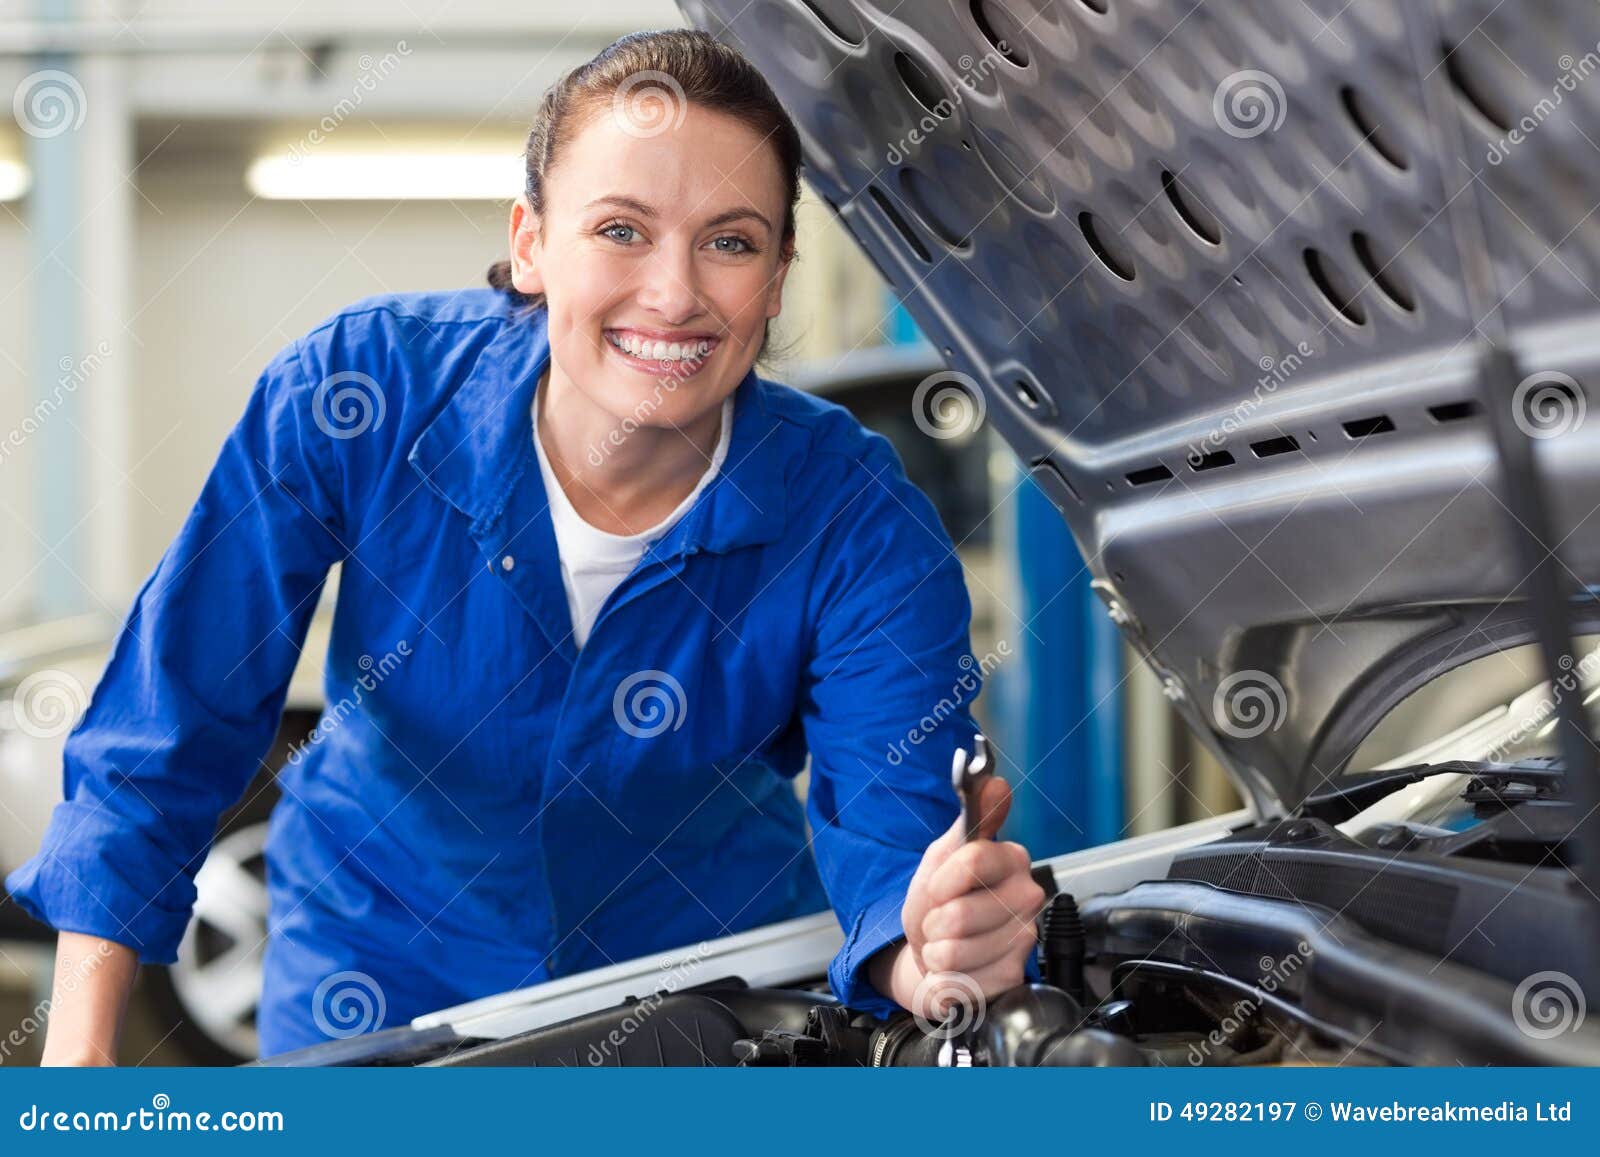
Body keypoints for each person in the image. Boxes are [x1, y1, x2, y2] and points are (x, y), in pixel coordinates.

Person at [6, 28, 1044, 1063]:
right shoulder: (359, 392)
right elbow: (178, 709)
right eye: (621, 230)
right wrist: (82, 1047)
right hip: (378, 963)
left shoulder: (853, 512)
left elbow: (895, 817)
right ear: (533, 242)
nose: (674, 293)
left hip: (702, 981)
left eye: (729, 241)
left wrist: (926, 945)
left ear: (775, 277)